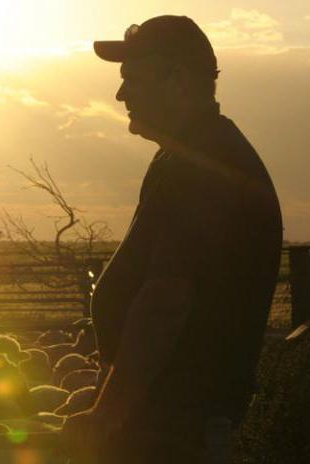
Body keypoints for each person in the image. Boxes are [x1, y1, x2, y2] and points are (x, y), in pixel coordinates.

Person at [58, 15, 283, 464]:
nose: (120, 95)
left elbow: (166, 296)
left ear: (177, 78)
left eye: (131, 79)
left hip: (173, 433)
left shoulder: (206, 165)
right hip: (164, 426)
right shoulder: (188, 154)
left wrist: (107, 416)